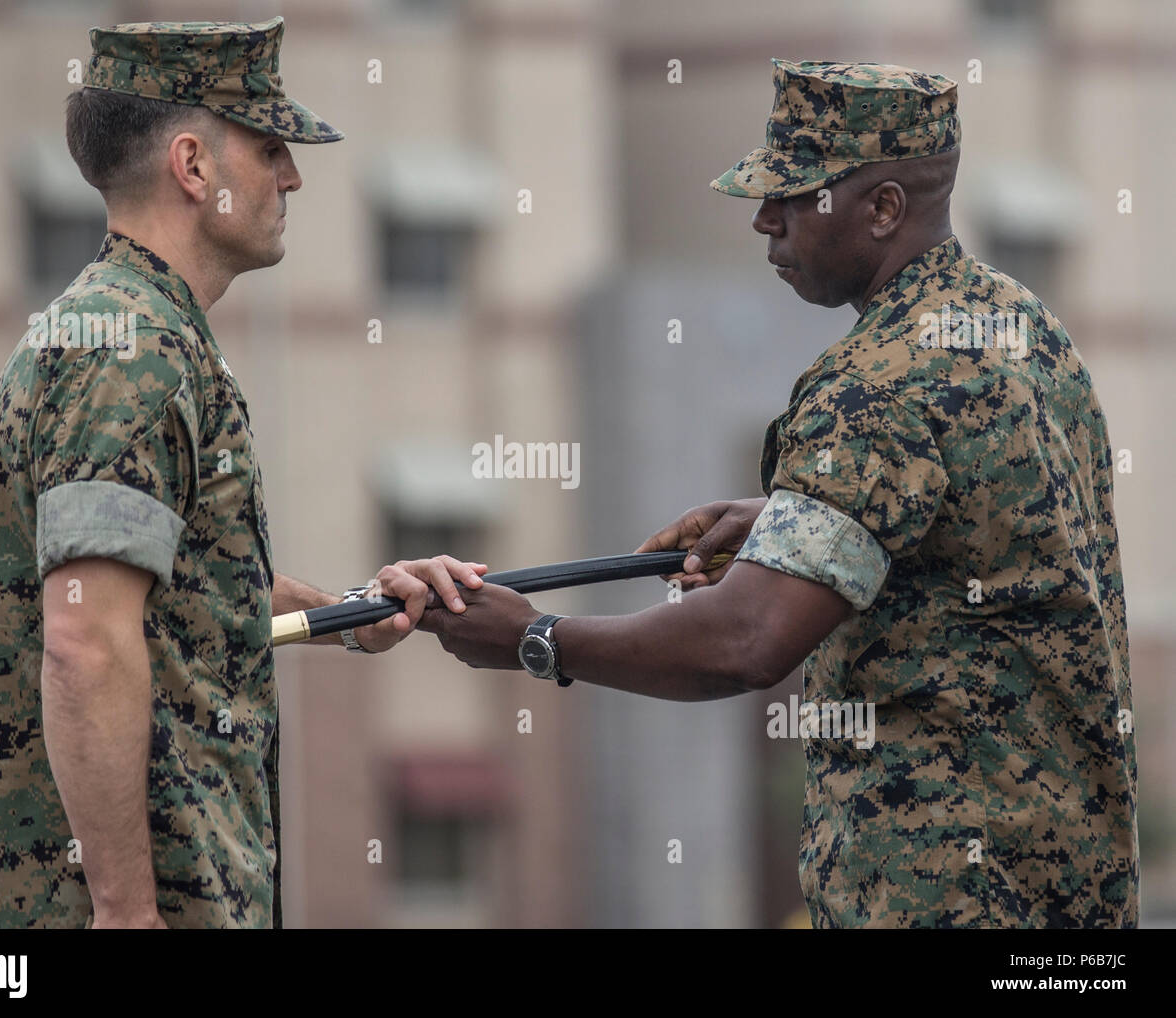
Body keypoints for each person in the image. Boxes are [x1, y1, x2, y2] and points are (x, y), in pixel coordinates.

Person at [421, 60, 1138, 928]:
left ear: (880, 210)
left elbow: (745, 642)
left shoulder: (873, 382)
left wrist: (533, 638)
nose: (764, 221)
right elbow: (986, 526)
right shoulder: (1021, 327)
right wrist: (789, 517)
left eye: (793, 197)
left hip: (942, 900)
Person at [0, 17, 486, 930]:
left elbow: (183, 597)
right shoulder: (129, 356)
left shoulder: (137, 335)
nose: (292, 176)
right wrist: (125, 912)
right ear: (194, 168)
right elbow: (86, 641)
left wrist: (356, 612)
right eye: (271, 147)